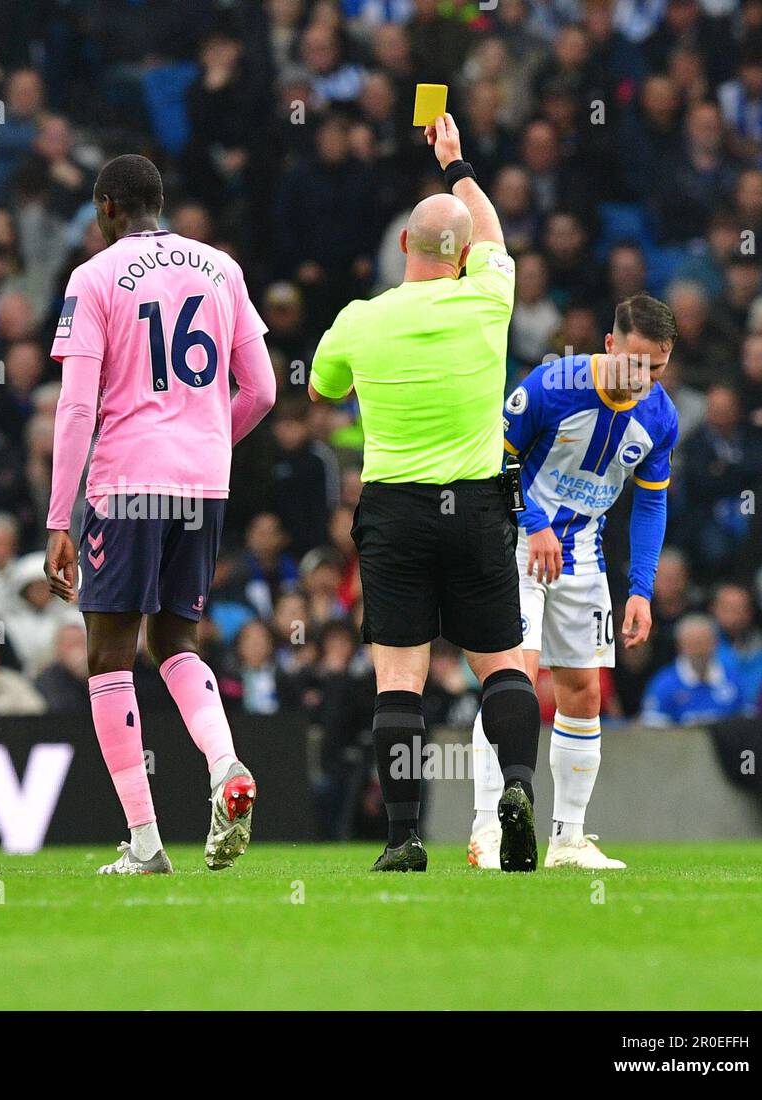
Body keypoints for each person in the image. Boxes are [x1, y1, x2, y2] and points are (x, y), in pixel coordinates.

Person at [308, 114, 542, 873]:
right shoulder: (488, 300)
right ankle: (515, 788)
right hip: (475, 507)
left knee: (399, 681)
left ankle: (405, 837)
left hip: (395, 512)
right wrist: (456, 164)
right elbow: (496, 237)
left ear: (404, 248)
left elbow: (322, 385)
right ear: (466, 253)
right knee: (503, 666)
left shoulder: (360, 319)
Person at [43, 154, 277, 874]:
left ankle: (146, 842)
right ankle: (225, 762)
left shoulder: (93, 278)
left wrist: (60, 516)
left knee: (110, 655)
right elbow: (262, 390)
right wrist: (207, 440)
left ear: (106, 207)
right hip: (203, 483)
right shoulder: (221, 268)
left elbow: (80, 405)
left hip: (127, 480)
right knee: (176, 641)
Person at [469, 294, 680, 871]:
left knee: (584, 688)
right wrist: (533, 524)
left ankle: (568, 839)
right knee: (514, 679)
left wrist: (640, 587)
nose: (643, 378)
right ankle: (487, 832)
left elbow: (650, 507)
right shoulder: (549, 384)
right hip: (517, 547)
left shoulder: (660, 418)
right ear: (610, 345)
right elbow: (496, 459)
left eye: (656, 367)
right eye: (634, 362)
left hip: (582, 556)